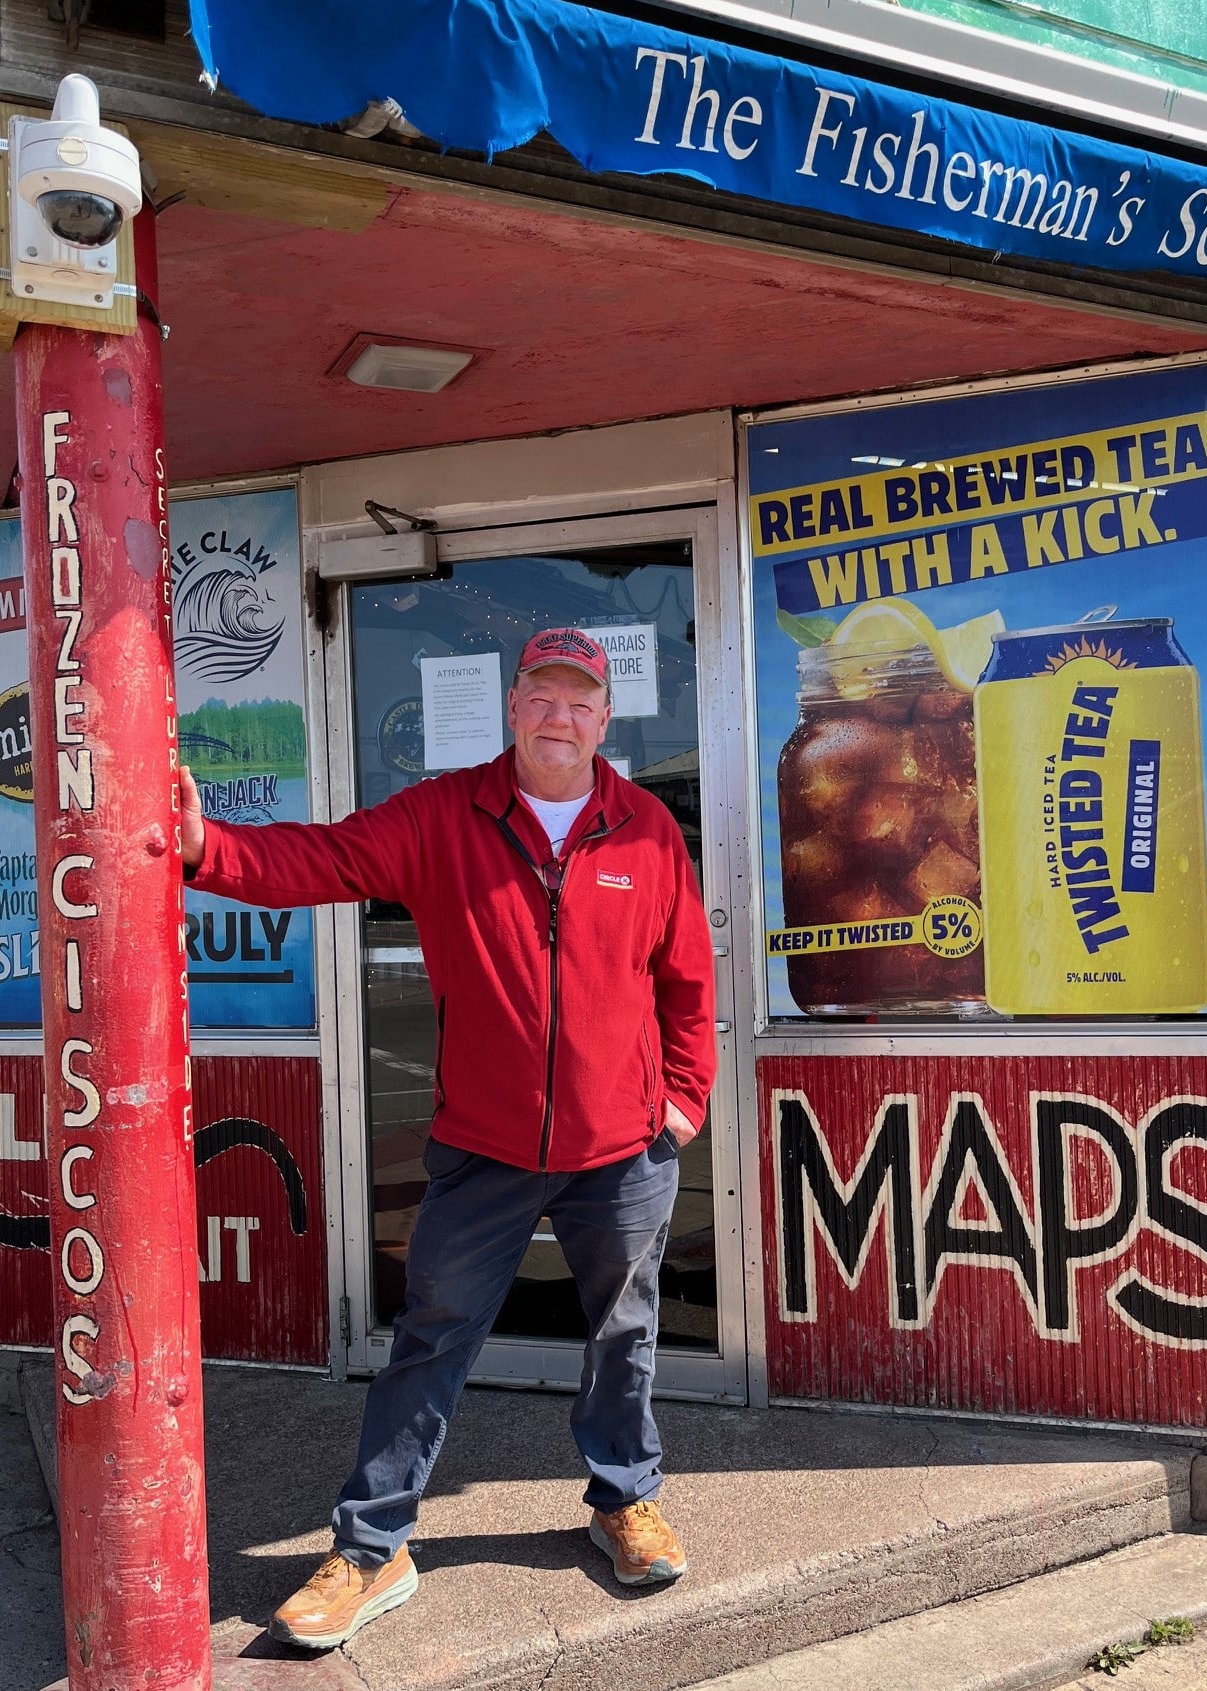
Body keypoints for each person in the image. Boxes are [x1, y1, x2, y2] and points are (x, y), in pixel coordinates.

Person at [180, 625, 716, 1650]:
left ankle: (622, 1500)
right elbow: (325, 858)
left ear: (606, 719)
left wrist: (682, 1099)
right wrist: (210, 850)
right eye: (544, 698)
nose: (561, 717)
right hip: (484, 1149)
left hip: (622, 1151)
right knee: (430, 1339)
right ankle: (373, 1546)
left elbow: (686, 978)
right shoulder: (443, 815)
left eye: (581, 702)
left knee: (624, 1335)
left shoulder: (646, 829)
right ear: (514, 707)